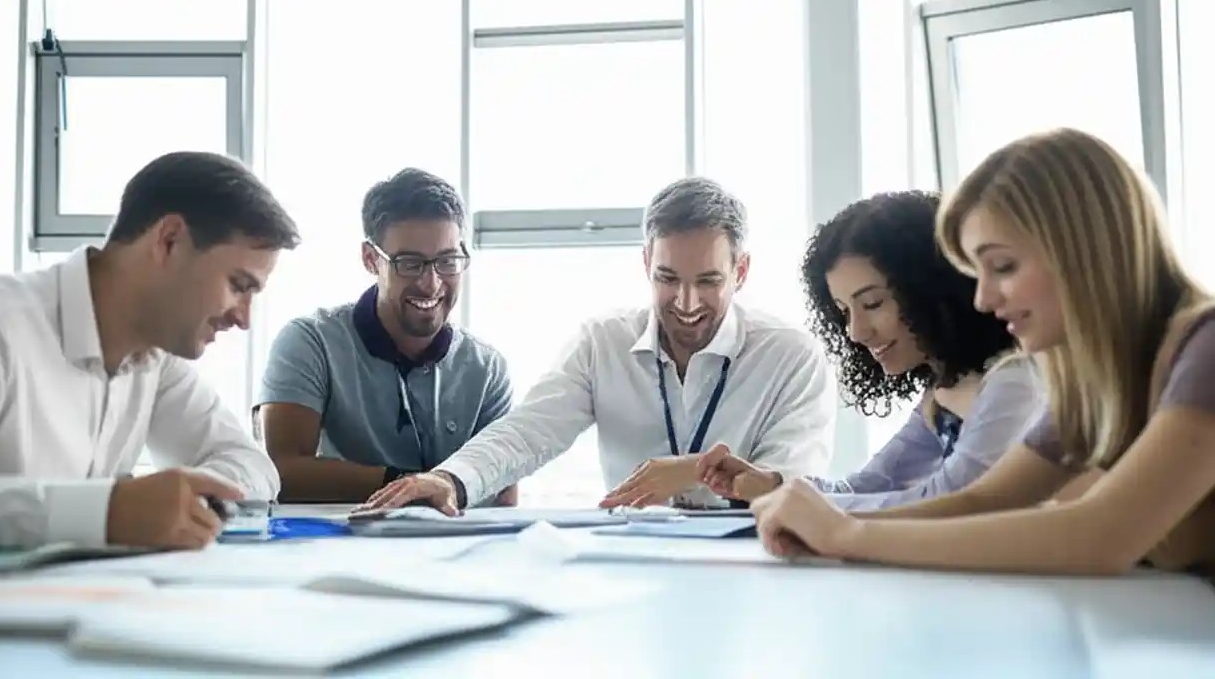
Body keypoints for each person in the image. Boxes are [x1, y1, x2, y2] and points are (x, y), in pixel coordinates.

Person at [752, 127, 1215, 577]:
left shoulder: (1205, 346)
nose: (983, 299)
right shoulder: (1091, 383)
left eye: (1003, 267)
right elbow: (982, 500)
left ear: (1082, 248)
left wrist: (849, 536)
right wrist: (829, 528)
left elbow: (1103, 535)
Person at [363, 177, 836, 515]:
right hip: (633, 562)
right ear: (646, 261)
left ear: (742, 271)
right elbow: (530, 431)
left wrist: (692, 470)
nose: (686, 302)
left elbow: (795, 484)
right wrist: (451, 479)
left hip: (754, 563)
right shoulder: (603, 342)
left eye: (709, 281)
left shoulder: (792, 357)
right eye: (667, 278)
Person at [0, 151, 299, 550]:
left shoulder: (156, 361)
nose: (243, 319)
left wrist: (187, 501)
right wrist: (106, 512)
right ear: (169, 241)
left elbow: (254, 466)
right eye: (238, 284)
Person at [697, 190, 1042, 509]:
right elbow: (871, 485)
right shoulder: (941, 392)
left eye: (873, 303)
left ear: (930, 291)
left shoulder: (1014, 381)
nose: (855, 332)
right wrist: (772, 486)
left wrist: (803, 506)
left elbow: (946, 501)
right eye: (844, 312)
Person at [257, 168, 514, 504]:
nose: (431, 283)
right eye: (410, 263)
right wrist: (408, 485)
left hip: (454, 550)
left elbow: (503, 499)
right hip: (336, 548)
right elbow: (281, 474)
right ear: (370, 259)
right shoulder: (311, 342)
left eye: (447, 261)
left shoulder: (487, 369)